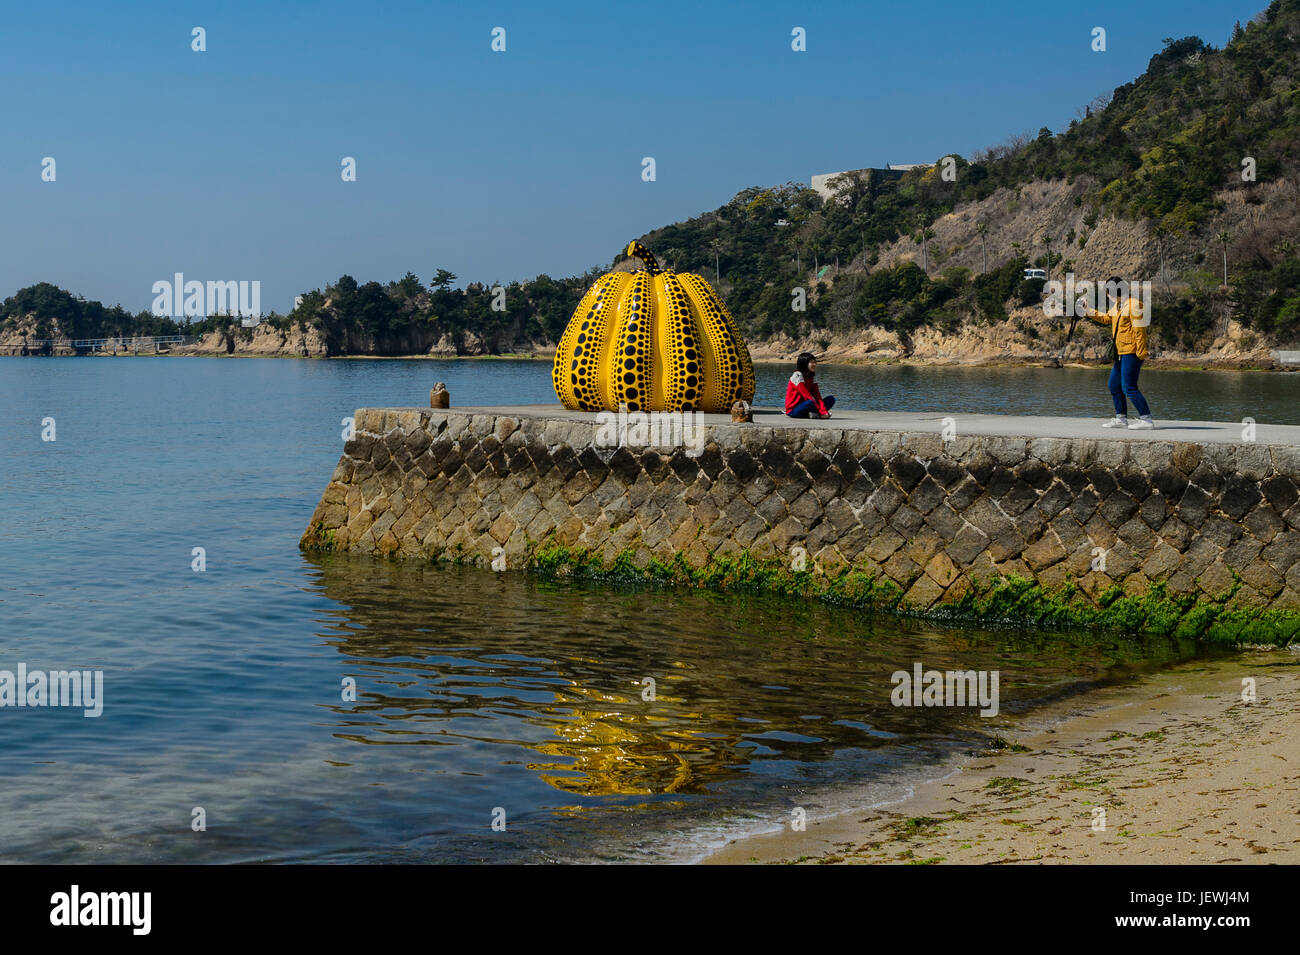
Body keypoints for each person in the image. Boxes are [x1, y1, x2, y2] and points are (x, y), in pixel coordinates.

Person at [1081, 277, 1154, 430]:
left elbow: (1140, 330)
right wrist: (1089, 311)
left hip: (1132, 352)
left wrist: (1141, 352)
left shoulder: (1134, 305)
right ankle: (1121, 418)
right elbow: (1107, 318)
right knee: (1114, 385)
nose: (1107, 295)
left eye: (1107, 292)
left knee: (1129, 387)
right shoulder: (1118, 306)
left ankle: (1146, 419)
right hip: (1120, 352)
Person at [785, 352, 836, 419]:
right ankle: (817, 414)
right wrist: (822, 411)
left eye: (815, 362)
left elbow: (817, 396)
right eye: (812, 362)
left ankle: (815, 414)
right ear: (804, 364)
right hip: (793, 410)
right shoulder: (797, 376)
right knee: (810, 402)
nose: (814, 364)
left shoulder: (812, 377)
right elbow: (807, 396)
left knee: (831, 399)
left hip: (808, 406)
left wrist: (823, 411)